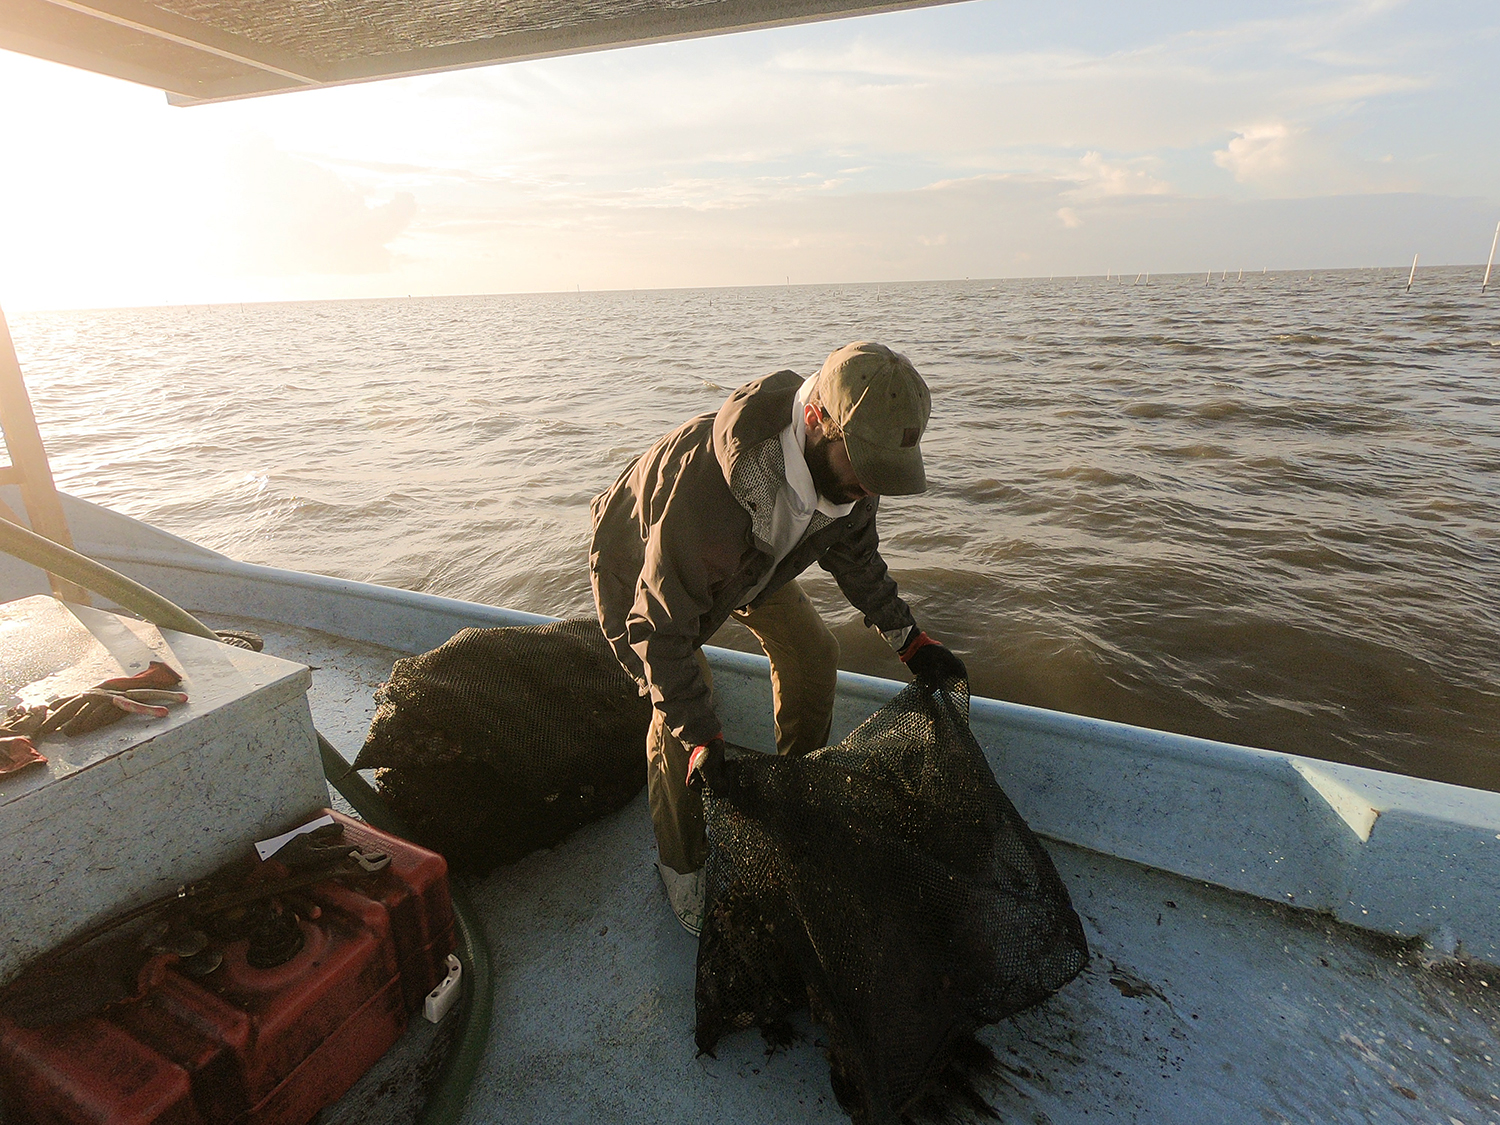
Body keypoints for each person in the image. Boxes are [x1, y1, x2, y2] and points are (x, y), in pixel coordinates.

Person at [588, 341, 966, 934]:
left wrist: (909, 639)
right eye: (864, 470)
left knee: (816, 654)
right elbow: (660, 632)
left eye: (881, 477)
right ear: (818, 420)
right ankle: (680, 866)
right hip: (644, 570)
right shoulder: (711, 493)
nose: (869, 489)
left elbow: (858, 560)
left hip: (753, 563)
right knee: (680, 709)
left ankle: (791, 799)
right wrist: (702, 735)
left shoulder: (850, 478)